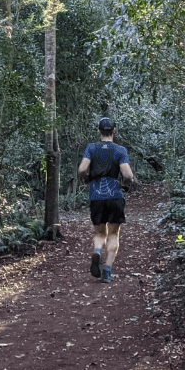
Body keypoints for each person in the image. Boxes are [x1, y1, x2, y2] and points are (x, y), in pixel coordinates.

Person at [76, 117, 136, 283]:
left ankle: (97, 249)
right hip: (115, 196)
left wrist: (87, 179)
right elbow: (128, 175)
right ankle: (107, 271)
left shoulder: (91, 148)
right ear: (114, 131)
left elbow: (82, 169)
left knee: (100, 232)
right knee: (114, 234)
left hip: (96, 196)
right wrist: (125, 184)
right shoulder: (120, 150)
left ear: (99, 131)